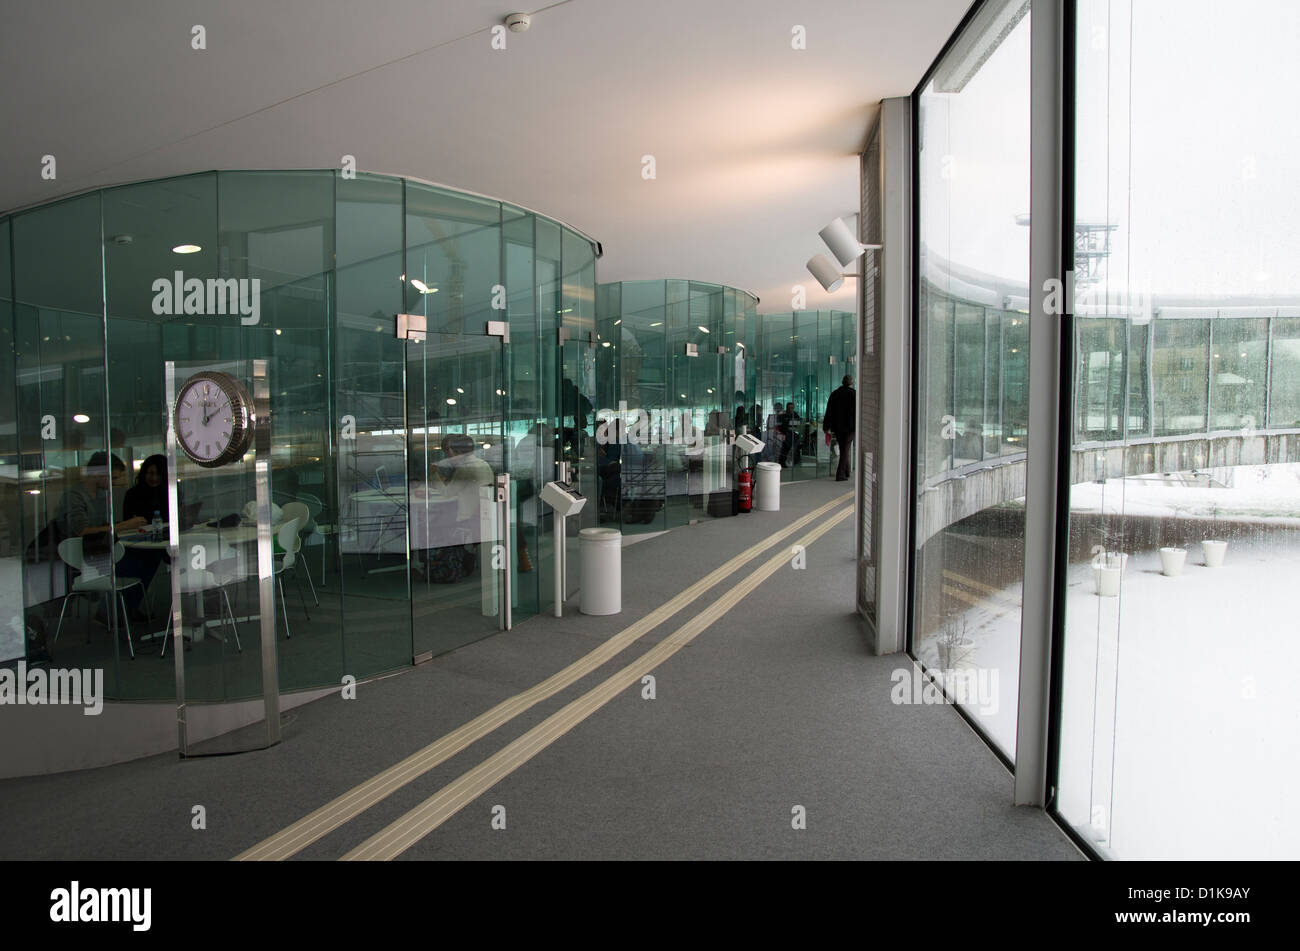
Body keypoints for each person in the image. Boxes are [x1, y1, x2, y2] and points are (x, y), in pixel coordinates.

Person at [54, 451, 157, 620]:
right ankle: (112, 612)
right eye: (113, 478)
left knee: (147, 557)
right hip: (84, 559)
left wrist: (124, 528)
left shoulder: (101, 495)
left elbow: (103, 528)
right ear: (99, 475)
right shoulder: (74, 497)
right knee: (146, 560)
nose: (115, 483)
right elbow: (81, 532)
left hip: (98, 552)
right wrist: (123, 526)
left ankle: (120, 609)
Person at [822, 375, 856, 481]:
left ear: (842, 382)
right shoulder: (854, 394)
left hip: (837, 427)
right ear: (851, 383)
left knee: (843, 448)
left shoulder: (834, 394)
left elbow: (829, 411)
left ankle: (846, 471)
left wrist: (826, 425)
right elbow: (857, 411)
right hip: (850, 426)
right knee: (845, 449)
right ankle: (840, 474)